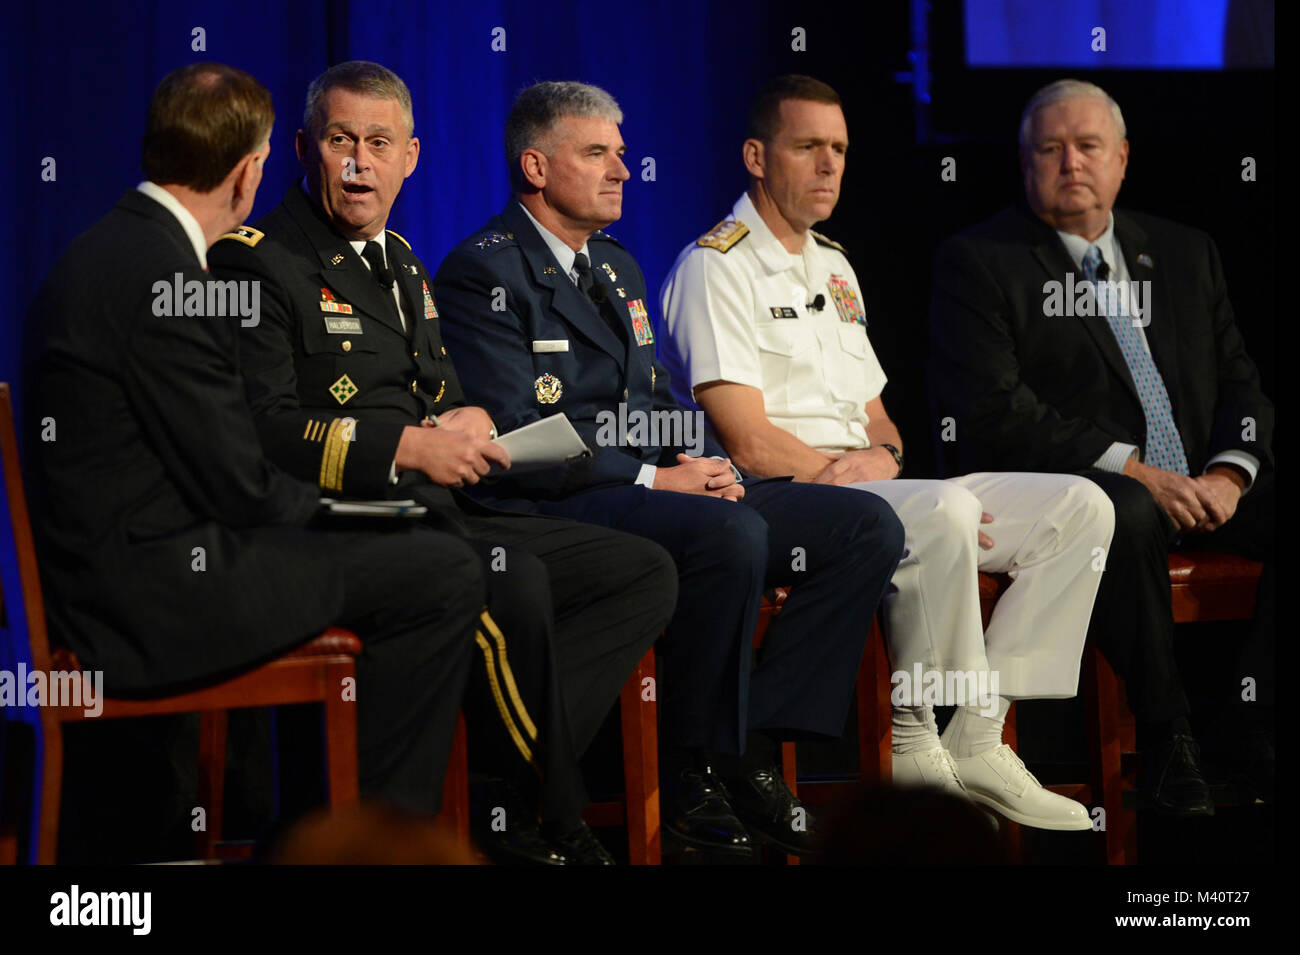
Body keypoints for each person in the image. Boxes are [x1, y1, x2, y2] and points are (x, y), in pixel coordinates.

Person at [209, 61, 677, 865]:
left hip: (442, 507)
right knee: (513, 581)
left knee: (640, 569)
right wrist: (408, 445)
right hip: (339, 525)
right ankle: (550, 819)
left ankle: (502, 782)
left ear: (411, 158)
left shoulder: (404, 264)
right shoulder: (257, 260)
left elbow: (444, 394)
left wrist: (464, 419)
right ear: (303, 149)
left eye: (379, 143)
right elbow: (262, 431)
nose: (359, 162)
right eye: (341, 140)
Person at [433, 81, 906, 859]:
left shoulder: (616, 266)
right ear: (536, 167)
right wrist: (656, 479)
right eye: (597, 154)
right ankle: (692, 770)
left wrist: (700, 458)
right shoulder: (484, 271)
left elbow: (653, 400)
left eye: (621, 153)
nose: (623, 170)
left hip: (650, 486)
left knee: (863, 525)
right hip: (558, 503)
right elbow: (522, 433)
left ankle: (747, 747)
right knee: (728, 535)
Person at [24, 62, 478, 824]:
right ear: (249, 170)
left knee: (424, 548)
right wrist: (382, 511)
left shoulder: (108, 251)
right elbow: (244, 487)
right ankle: (366, 846)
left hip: (118, 567)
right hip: (147, 601)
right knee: (441, 571)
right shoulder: (170, 280)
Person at [659, 74, 1113, 830]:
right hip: (773, 495)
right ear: (756, 157)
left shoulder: (835, 264)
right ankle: (913, 736)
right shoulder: (717, 266)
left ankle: (977, 730)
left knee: (1080, 506)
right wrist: (859, 475)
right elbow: (745, 437)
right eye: (808, 146)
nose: (830, 164)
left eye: (838, 148)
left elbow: (882, 423)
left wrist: (884, 462)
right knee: (944, 508)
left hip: (871, 486)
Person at [929, 78, 1274, 812]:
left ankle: (1252, 720)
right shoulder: (981, 262)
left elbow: (1243, 380)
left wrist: (1228, 474)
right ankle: (1167, 740)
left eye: (1088, 147)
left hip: (1200, 485)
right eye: (1049, 149)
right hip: (1085, 487)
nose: (1070, 163)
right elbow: (993, 409)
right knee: (1125, 510)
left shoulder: (1186, 253)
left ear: (1122, 158)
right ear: (1025, 165)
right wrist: (1135, 468)